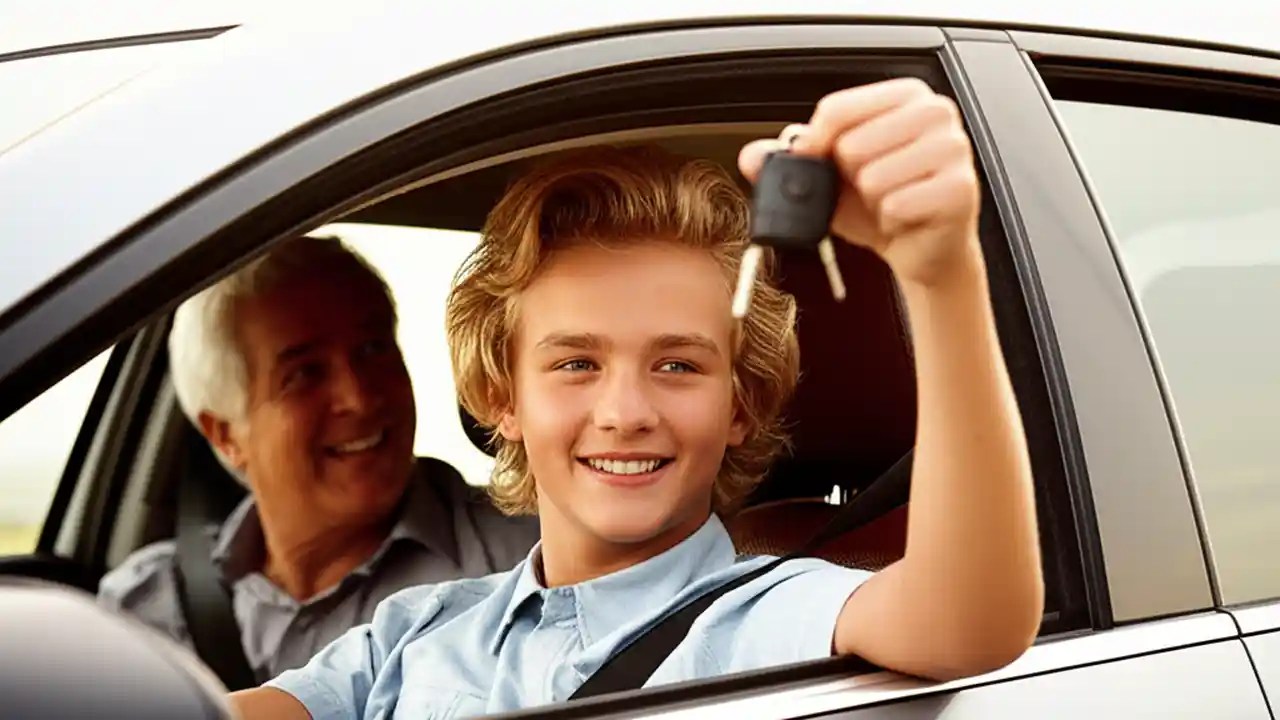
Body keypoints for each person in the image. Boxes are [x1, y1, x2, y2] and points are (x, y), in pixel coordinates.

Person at [231, 78, 1044, 719]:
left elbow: (968, 621)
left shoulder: (763, 616)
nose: (626, 411)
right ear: (499, 397)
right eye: (576, 364)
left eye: (680, 367)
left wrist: (941, 277)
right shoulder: (414, 636)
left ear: (742, 405)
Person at [98, 236, 540, 682]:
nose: (358, 397)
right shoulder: (148, 610)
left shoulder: (534, 564)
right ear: (225, 434)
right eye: (305, 373)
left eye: (373, 349)